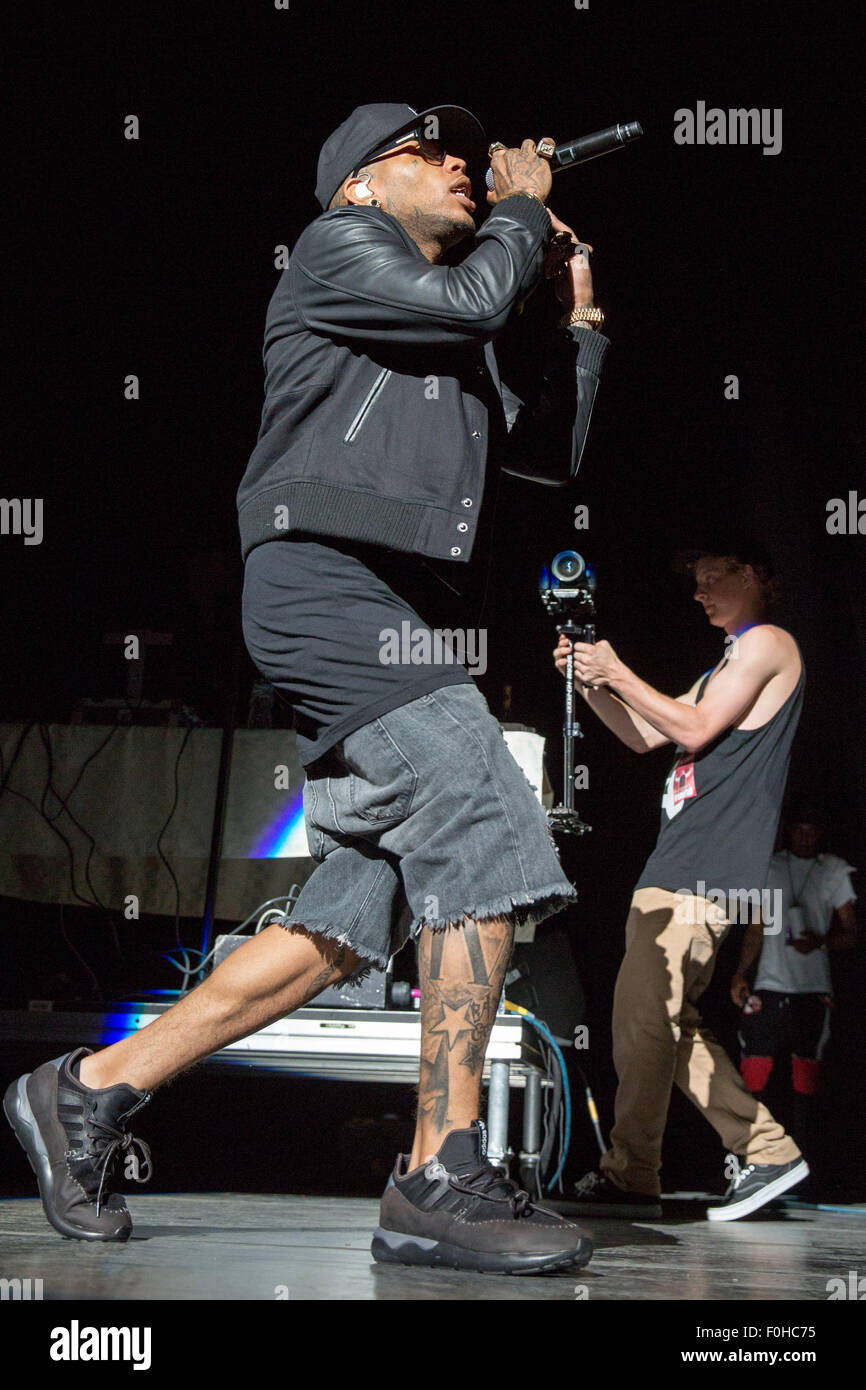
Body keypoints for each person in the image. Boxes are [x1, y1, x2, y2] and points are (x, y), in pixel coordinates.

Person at [4, 103, 610, 1274]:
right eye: (430, 151)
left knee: (352, 917)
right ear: (359, 187)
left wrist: (575, 317)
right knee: (480, 805)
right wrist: (525, 212)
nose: (459, 165)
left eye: (467, 156)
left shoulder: (446, 312)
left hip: (401, 614)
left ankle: (83, 1092)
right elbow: (470, 299)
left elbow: (546, 453)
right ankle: (440, 1167)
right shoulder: (338, 251)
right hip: (324, 584)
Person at [554, 544, 810, 1220]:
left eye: (711, 578)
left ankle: (641, 1170)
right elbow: (644, 735)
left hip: (704, 870)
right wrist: (590, 683)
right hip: (676, 866)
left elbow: (693, 726)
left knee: (644, 1020)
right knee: (665, 1024)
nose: (699, 594)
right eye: (694, 583)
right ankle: (759, 1152)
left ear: (755, 574)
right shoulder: (720, 667)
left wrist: (617, 668)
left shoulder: (768, 644)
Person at [732, 807, 857, 1167]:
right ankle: (746, 1159)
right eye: (798, 829)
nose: (804, 836)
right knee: (753, 1071)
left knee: (807, 1078)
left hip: (813, 987)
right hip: (769, 984)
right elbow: (755, 927)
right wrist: (741, 972)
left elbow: (851, 931)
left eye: (811, 830)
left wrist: (820, 941)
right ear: (789, 831)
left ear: (819, 833)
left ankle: (802, 1163)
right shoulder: (770, 866)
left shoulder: (831, 869)